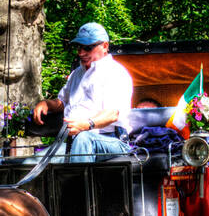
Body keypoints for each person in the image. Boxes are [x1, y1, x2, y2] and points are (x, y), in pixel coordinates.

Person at [33, 22, 135, 160]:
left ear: (105, 46)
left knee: (83, 139)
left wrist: (86, 125)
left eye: (88, 47)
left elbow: (112, 114)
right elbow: (62, 102)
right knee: (33, 162)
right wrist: (46, 104)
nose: (81, 52)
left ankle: (75, 181)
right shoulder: (77, 73)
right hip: (75, 141)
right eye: (79, 46)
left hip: (112, 140)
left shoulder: (115, 72)